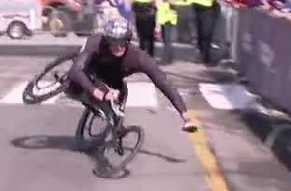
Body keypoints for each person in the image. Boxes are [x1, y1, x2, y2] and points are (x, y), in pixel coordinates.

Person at [66, 18, 198, 132]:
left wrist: (184, 114)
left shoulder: (139, 58)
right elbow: (75, 70)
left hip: (113, 80)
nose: (118, 47)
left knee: (116, 117)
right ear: (107, 40)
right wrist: (94, 90)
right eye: (113, 42)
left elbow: (164, 83)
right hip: (91, 71)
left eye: (122, 42)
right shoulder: (96, 42)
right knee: (73, 87)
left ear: (128, 41)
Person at [190, 0, 223, 64]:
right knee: (200, 33)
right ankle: (201, 54)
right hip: (197, 9)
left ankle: (206, 56)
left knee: (206, 33)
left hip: (208, 9)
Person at [156, 0, 178, 64]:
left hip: (168, 22)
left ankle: (166, 59)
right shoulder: (162, 1)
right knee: (166, 41)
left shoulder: (171, 0)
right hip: (163, 22)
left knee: (167, 41)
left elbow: (173, 7)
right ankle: (167, 59)